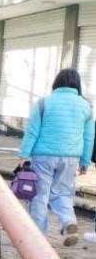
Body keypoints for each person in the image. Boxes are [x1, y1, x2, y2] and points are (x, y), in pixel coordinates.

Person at [17, 68, 94, 246]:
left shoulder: (43, 103)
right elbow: (89, 137)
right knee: (63, 193)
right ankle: (68, 222)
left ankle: (38, 237)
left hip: (43, 156)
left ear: (56, 83)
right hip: (70, 157)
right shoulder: (86, 107)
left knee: (40, 196)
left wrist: (23, 154)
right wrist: (85, 161)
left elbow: (32, 132)